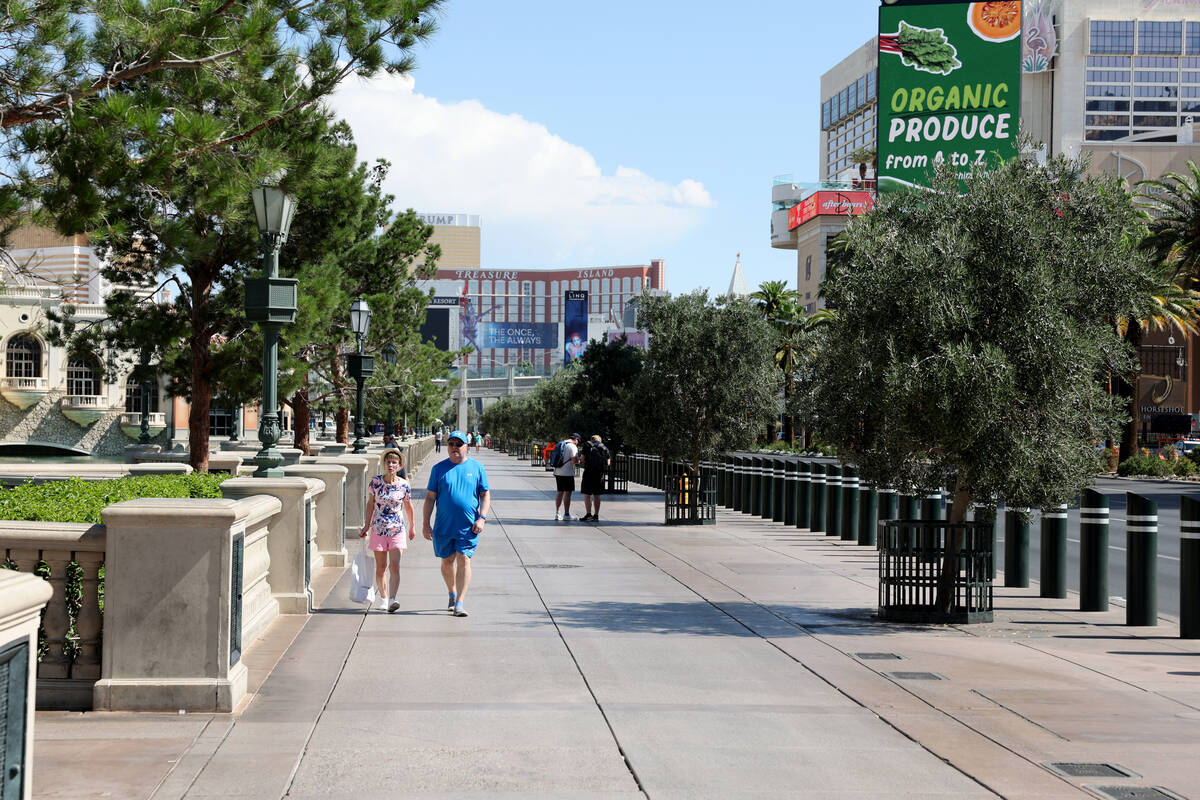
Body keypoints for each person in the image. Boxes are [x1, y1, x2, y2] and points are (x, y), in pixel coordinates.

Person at [423, 430, 491, 617]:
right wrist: (425, 523)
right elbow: (430, 498)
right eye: (451, 444)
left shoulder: (477, 468)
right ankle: (452, 593)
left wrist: (482, 517)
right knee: (447, 561)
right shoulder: (438, 469)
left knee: (464, 559)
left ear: (466, 447)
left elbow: (485, 494)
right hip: (443, 526)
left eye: (458, 444)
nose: (454, 448)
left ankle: (460, 602)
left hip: (468, 526)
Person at [359, 448, 415, 613]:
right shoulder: (375, 482)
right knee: (381, 567)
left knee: (395, 567)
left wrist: (412, 526)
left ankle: (392, 599)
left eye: (394, 463)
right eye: (388, 462)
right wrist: (366, 525)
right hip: (378, 529)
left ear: (399, 466)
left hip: (397, 529)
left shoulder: (404, 484)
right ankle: (383, 598)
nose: (391, 465)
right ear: (384, 464)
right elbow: (370, 504)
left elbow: (408, 506)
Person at [580, 434, 610, 522]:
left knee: (587, 494)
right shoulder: (604, 448)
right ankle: (596, 515)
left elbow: (582, 459)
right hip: (599, 474)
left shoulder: (587, 446)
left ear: (592, 440)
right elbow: (608, 463)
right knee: (597, 495)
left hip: (588, 472)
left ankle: (588, 514)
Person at [553, 432, 581, 521]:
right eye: (578, 441)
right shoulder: (572, 446)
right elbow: (574, 460)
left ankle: (557, 513)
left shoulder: (561, 443)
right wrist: (579, 461)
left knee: (560, 492)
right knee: (567, 493)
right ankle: (566, 514)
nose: (578, 443)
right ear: (576, 439)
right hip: (567, 473)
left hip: (558, 471)